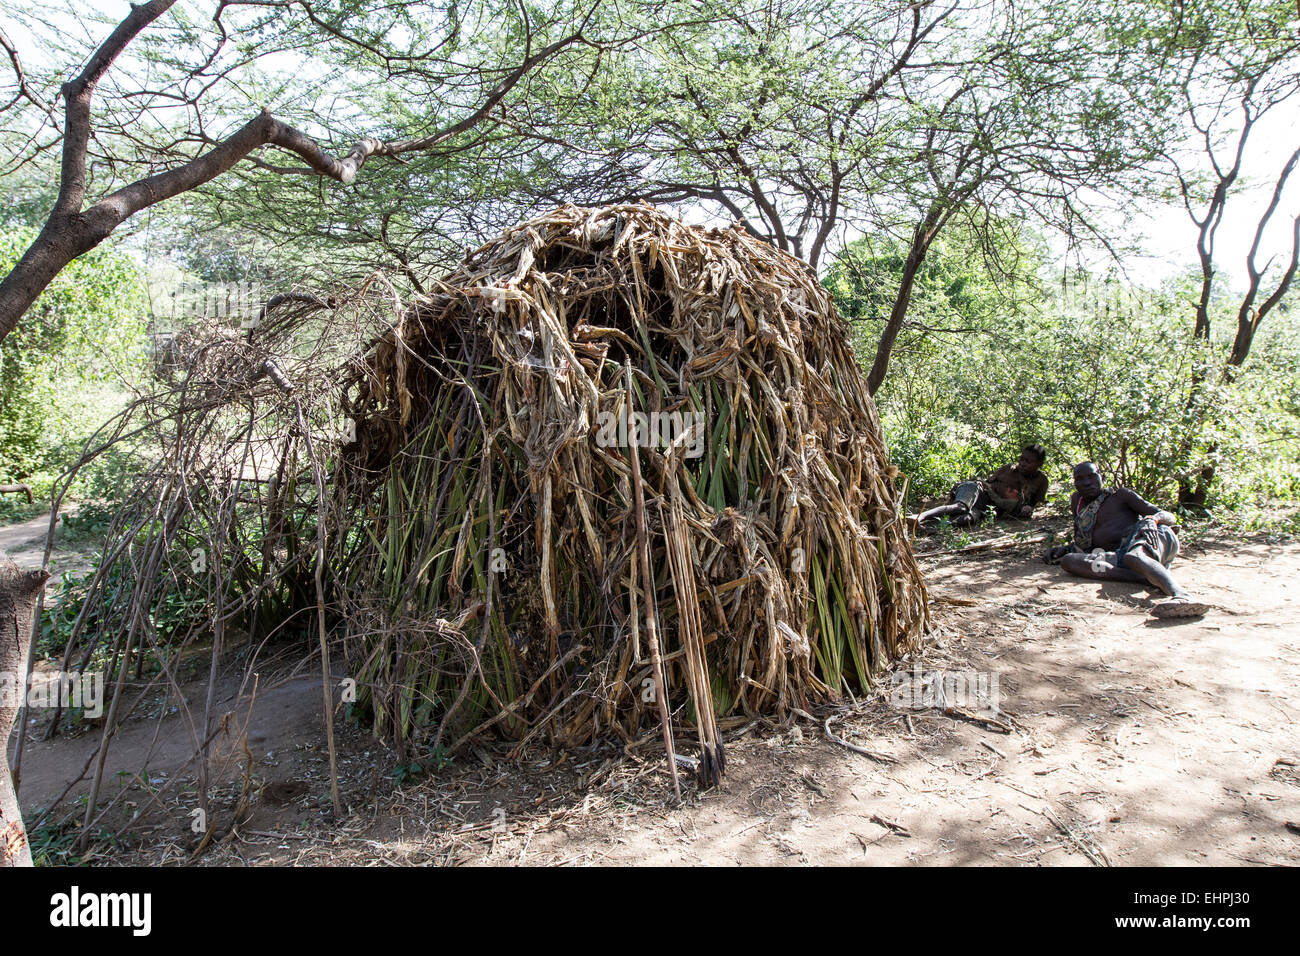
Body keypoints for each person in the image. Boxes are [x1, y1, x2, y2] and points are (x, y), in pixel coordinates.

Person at [1046, 461, 1209, 619]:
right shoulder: (1077, 501)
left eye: (1091, 476)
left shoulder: (1121, 496)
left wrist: (1153, 520)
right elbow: (1087, 541)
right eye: (1080, 479)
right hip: (1119, 555)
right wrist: (1068, 548)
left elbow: (1169, 516)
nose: (1087, 482)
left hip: (1148, 539)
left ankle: (1182, 595)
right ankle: (1145, 577)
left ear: (1101, 477)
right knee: (1070, 561)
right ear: (1074, 483)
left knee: (1135, 556)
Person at [915, 444, 1048, 529]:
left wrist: (1027, 507)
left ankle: (927, 528)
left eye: (1028, 461)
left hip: (990, 507)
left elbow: (1033, 503)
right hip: (977, 491)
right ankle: (920, 517)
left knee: (968, 518)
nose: (1023, 463)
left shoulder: (1041, 480)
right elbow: (985, 484)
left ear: (1039, 464)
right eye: (1022, 459)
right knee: (961, 507)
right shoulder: (1009, 469)